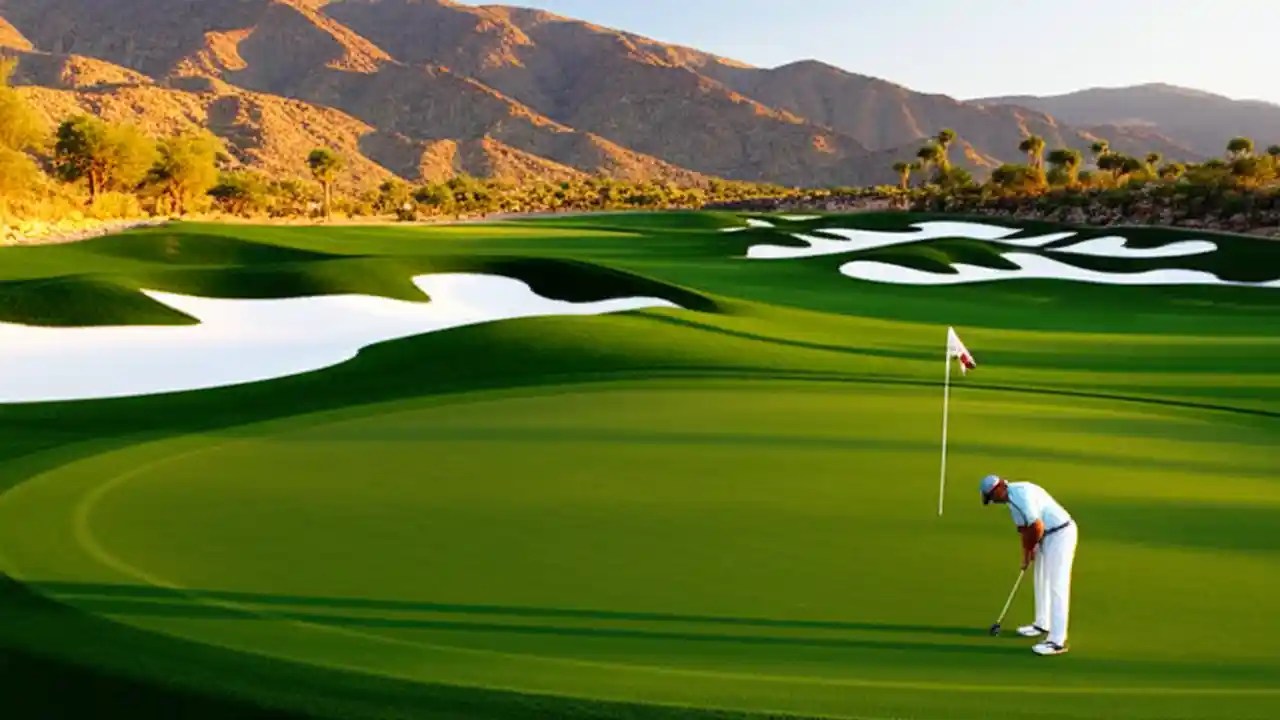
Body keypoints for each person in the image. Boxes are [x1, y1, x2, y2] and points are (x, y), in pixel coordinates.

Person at [979, 474, 1077, 656]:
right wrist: (1026, 555)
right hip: (1046, 535)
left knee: (1057, 586)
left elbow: (1037, 527)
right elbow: (1025, 530)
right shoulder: (1010, 501)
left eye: (992, 497)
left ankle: (1057, 640)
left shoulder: (1021, 495)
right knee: (1040, 578)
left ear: (999, 488)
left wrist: (1031, 548)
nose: (993, 501)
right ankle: (1042, 623)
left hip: (1060, 533)